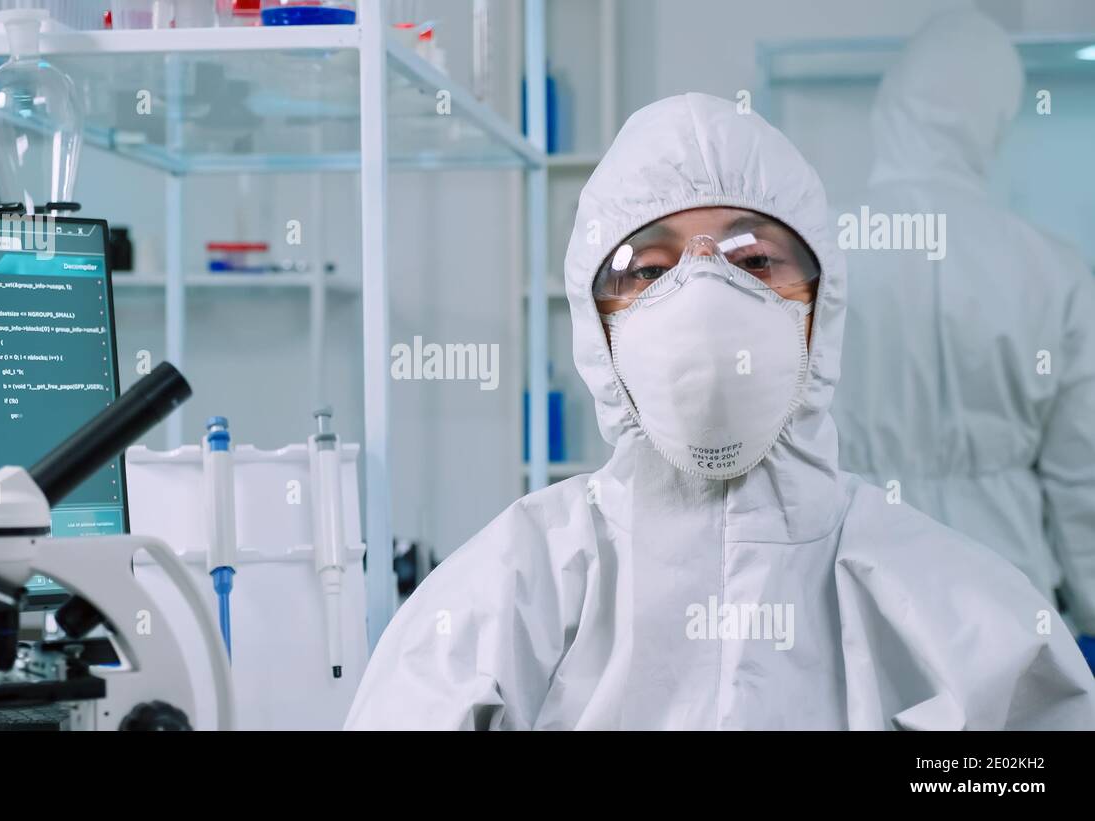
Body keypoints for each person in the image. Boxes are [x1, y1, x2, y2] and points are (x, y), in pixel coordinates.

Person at [344, 92, 1095, 730]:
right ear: (595, 323)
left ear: (820, 311)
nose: (703, 301)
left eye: (753, 260)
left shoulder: (957, 609)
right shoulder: (514, 584)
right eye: (650, 268)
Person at [832, 10, 1095, 654]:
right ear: (995, 123)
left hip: (851, 598)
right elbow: (1080, 476)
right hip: (1009, 607)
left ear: (890, 105)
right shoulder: (1054, 270)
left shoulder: (817, 250)